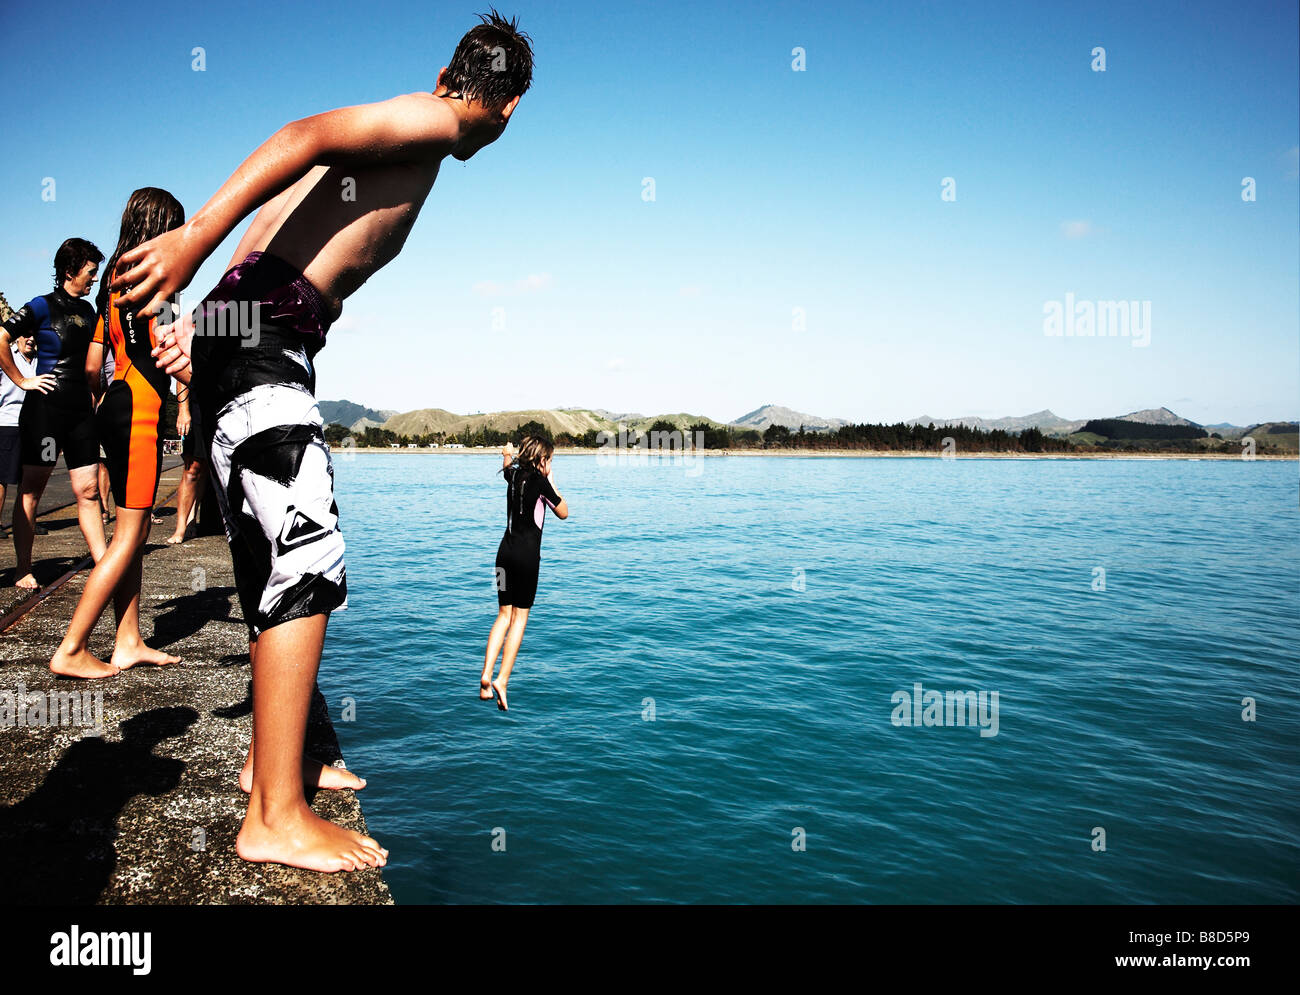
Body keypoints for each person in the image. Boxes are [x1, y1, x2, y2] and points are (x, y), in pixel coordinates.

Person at [113, 9, 534, 873]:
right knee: (308, 558)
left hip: (247, 330)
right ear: (510, 105)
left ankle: (277, 764)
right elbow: (300, 136)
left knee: (270, 561)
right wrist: (192, 242)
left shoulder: (414, 129)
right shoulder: (440, 117)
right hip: (266, 343)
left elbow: (274, 226)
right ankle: (275, 815)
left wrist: (203, 325)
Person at [47, 190, 188, 679]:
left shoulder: (113, 279)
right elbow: (166, 348)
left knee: (133, 529)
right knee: (130, 536)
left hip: (116, 400)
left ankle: (127, 640)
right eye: (176, 226)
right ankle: (71, 647)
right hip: (142, 410)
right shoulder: (158, 280)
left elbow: (95, 361)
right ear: (162, 226)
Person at [0, 238, 108, 589]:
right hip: (45, 410)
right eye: (90, 272)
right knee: (32, 491)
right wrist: (23, 381)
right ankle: (22, 568)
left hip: (80, 412)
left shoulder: (91, 312)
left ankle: (104, 565)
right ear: (69, 271)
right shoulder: (41, 306)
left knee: (89, 490)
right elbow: (1, 337)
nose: (94, 279)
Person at [481, 436, 568, 711]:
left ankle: (485, 676)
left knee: (502, 615)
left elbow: (508, 465)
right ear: (542, 459)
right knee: (519, 619)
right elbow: (564, 512)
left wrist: (506, 453)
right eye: (550, 460)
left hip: (502, 556)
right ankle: (502, 680)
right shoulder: (542, 483)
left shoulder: (514, 477)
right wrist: (551, 478)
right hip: (527, 560)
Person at [0, 332, 38, 538]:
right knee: (1, 476)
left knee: (32, 477)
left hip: (36, 426)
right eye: (26, 335)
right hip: (8, 422)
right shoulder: (6, 354)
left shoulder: (42, 358)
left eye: (35, 335)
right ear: (17, 337)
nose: (31, 339)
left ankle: (28, 520)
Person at [165, 387, 207, 544]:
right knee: (192, 468)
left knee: (205, 467)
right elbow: (182, 379)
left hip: (224, 401)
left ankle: (191, 519)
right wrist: (183, 410)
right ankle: (180, 527)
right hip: (198, 404)